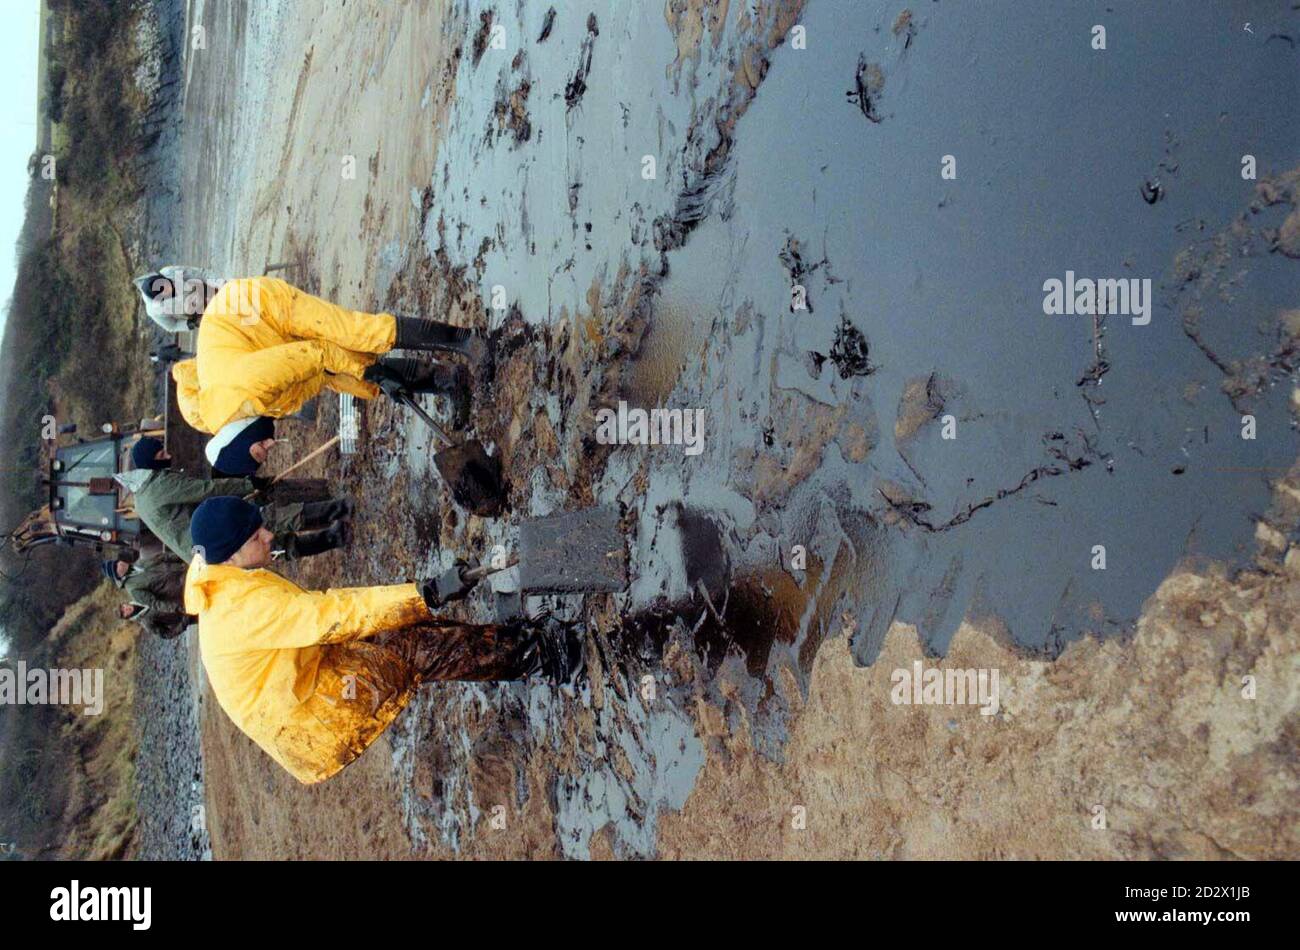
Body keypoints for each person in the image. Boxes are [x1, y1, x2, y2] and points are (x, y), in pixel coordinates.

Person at [184, 496, 542, 784]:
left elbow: (329, 612)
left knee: (394, 627)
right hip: (310, 720)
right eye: (254, 537)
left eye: (260, 526)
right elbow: (328, 615)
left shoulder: (216, 571)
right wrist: (427, 594)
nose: (268, 536)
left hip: (308, 675)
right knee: (405, 652)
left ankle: (505, 644)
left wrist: (419, 598)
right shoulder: (241, 607)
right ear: (230, 555)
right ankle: (535, 654)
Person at [169, 277, 478, 435]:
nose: (269, 446)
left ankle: (466, 340)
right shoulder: (242, 409)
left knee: (359, 334)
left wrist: (376, 372)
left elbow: (318, 353)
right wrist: (373, 377)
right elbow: (311, 379)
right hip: (263, 344)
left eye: (260, 445)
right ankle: (447, 380)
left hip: (258, 308)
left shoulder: (247, 389)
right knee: (351, 378)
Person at [122, 436, 351, 563]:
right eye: (162, 455)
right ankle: (342, 510)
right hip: (212, 537)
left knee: (275, 546)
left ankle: (335, 536)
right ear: (149, 463)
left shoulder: (141, 494)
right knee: (269, 521)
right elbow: (205, 490)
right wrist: (248, 484)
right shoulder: (157, 486)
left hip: (201, 551)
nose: (169, 456)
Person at [102, 549, 193, 640]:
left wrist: (184, 555)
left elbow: (162, 557)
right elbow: (156, 604)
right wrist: (183, 612)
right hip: (186, 593)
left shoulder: (139, 563)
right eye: (116, 567)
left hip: (188, 570)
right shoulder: (133, 590)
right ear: (117, 575)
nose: (119, 564)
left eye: (117, 562)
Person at [133, 265, 226, 335]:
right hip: (197, 313)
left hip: (204, 290)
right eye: (163, 291)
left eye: (167, 283)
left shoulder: (169, 272)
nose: (169, 288)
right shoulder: (154, 310)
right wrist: (193, 323)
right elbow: (172, 326)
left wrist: (221, 284)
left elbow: (201, 273)